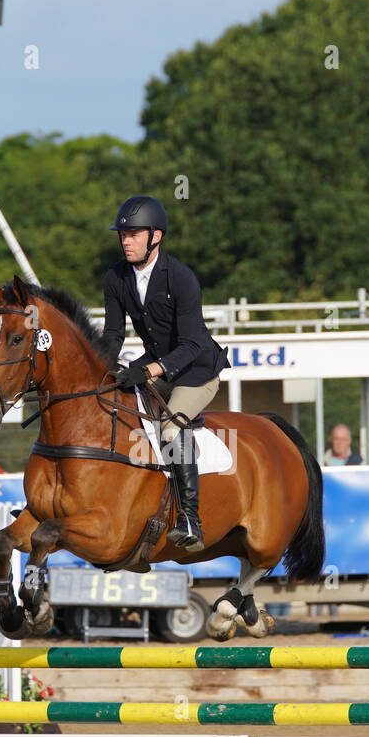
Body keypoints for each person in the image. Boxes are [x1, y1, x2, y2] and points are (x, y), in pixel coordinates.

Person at [103, 195, 230, 551]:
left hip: (197, 369)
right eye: (122, 235)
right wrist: (101, 369)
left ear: (155, 236)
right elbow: (113, 335)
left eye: (133, 234)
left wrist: (147, 370)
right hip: (157, 362)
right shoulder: (116, 277)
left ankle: (190, 518)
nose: (125, 241)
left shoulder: (181, 278)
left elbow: (190, 345)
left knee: (171, 428)